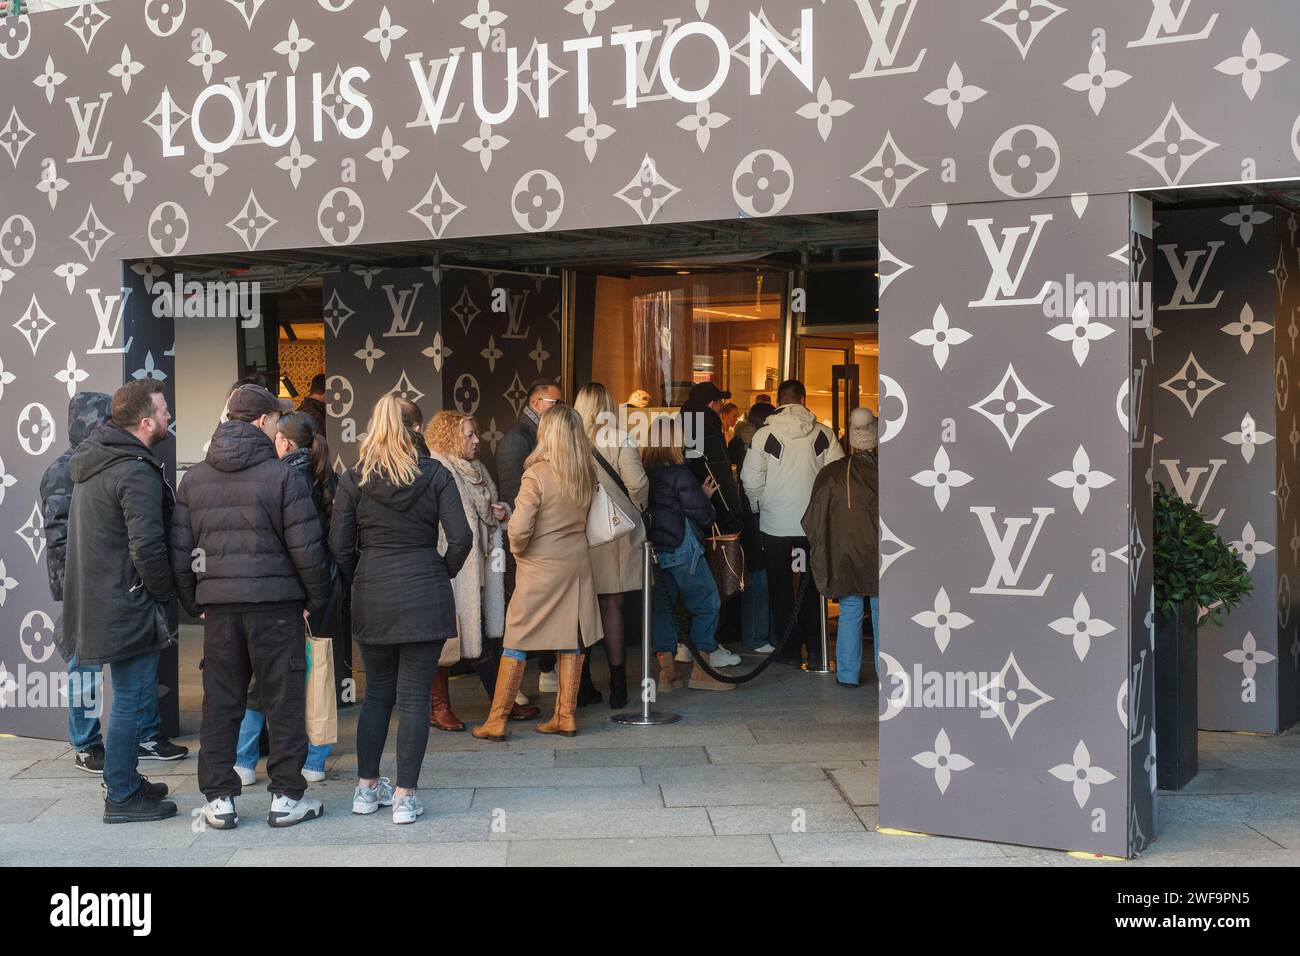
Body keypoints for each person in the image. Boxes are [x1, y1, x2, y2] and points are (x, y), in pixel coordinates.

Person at [172, 384, 332, 830]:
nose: (279, 425)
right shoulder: (283, 476)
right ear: (262, 421)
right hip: (277, 608)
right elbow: (308, 549)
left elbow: (180, 551)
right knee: (283, 702)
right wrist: (312, 602)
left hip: (220, 610)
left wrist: (196, 602)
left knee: (220, 704)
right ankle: (285, 797)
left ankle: (220, 800)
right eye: (275, 418)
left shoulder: (195, 478)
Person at [331, 395, 472, 824]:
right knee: (413, 698)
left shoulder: (353, 478)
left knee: (376, 694)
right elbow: (461, 538)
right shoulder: (435, 475)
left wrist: (364, 575)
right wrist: (437, 569)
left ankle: (365, 788)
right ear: (416, 429)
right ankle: (406, 797)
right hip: (424, 592)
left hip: (372, 594)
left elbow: (338, 548)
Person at [42, 392, 188, 774]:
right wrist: (72, 585)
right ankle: (87, 743)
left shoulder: (116, 460)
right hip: (83, 584)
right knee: (84, 667)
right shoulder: (67, 469)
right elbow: (61, 535)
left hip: (113, 582)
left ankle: (144, 735)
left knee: (134, 669)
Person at [473, 406, 603, 740]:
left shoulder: (537, 474)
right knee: (571, 638)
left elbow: (519, 528)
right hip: (577, 563)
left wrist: (519, 549)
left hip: (540, 566)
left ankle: (497, 720)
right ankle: (565, 716)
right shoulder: (585, 470)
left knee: (516, 638)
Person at [233, 412, 338, 787]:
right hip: (323, 590)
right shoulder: (328, 478)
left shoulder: (277, 480)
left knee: (262, 679)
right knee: (319, 674)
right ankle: (314, 760)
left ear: (285, 443)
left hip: (282, 593)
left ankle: (244, 761)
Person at [425, 411, 540, 730]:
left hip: (479, 564)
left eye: (476, 433)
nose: (477, 440)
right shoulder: (438, 469)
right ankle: (439, 707)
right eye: (469, 435)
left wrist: (501, 513)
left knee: (479, 636)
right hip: (450, 567)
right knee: (446, 637)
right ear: (450, 438)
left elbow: (485, 515)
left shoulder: (474, 468)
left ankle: (501, 701)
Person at [740, 379, 845, 670]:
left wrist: (759, 507)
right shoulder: (824, 434)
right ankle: (815, 647)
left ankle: (787, 649)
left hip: (775, 526)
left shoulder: (764, 436)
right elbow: (836, 477)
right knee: (812, 587)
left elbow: (750, 479)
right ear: (803, 398)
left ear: (778, 400)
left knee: (781, 588)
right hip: (812, 526)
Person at [642, 425, 734, 692]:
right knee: (707, 603)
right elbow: (704, 515)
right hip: (682, 549)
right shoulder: (679, 473)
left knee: (663, 609)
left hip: (654, 551)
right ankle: (701, 669)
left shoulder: (643, 473)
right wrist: (705, 498)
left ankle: (667, 671)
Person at [575, 382, 649, 709]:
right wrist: (638, 506)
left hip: (576, 530)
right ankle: (618, 685)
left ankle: (581, 684)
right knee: (612, 607)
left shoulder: (568, 439)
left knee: (581, 609)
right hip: (613, 531)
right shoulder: (618, 436)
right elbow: (638, 482)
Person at [803, 408, 880, 687]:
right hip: (883, 556)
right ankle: (890, 673)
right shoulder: (892, 472)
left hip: (846, 556)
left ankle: (848, 675)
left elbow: (812, 520)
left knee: (850, 610)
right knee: (883, 612)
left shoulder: (832, 474)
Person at [497, 379, 563, 691]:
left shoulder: (544, 435)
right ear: (536, 403)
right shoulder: (516, 439)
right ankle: (513, 688)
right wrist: (522, 541)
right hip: (527, 541)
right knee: (521, 614)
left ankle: (547, 671)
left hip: (545, 540)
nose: (561, 409)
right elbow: (514, 498)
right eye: (555, 403)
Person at [678, 382, 743, 666]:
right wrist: (733, 517)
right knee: (713, 585)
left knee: (686, 584)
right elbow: (721, 478)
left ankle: (684, 643)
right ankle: (708, 646)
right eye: (718, 403)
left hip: (681, 516)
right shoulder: (709, 429)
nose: (719, 408)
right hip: (710, 516)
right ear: (710, 404)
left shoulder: (679, 425)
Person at [730, 401, 777, 654]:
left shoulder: (740, 444)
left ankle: (760, 635)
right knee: (760, 579)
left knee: (759, 577)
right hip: (755, 521)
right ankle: (758, 637)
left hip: (749, 521)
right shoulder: (751, 447)